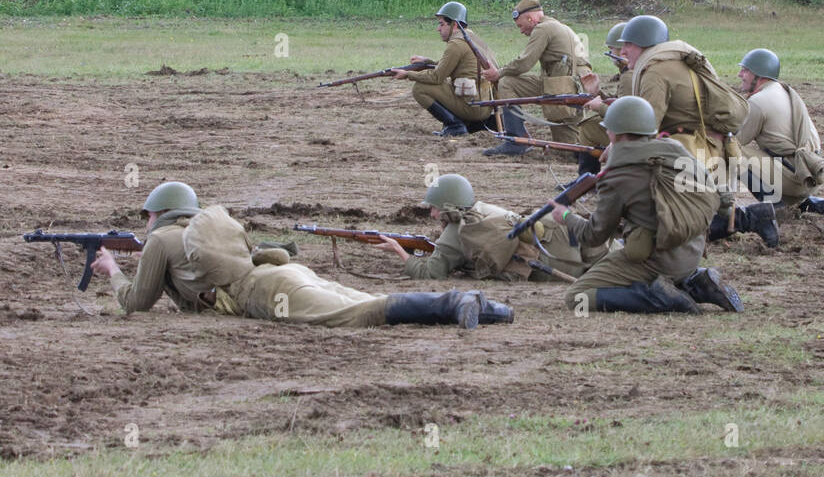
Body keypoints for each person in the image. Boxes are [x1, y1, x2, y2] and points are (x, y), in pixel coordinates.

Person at [92, 181, 514, 330]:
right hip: (288, 273)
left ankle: (455, 302)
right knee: (359, 302)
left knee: (360, 315)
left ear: (157, 214)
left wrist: (112, 271)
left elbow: (136, 303)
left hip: (266, 292)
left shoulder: (160, 240)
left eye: (146, 215)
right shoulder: (203, 232)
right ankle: (489, 310)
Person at [550, 97, 743, 314]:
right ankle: (695, 284)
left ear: (617, 134)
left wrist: (566, 216)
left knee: (577, 297)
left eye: (609, 130)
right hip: (692, 252)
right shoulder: (673, 149)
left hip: (660, 262)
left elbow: (595, 234)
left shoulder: (617, 176)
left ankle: (659, 297)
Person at [617, 14, 778, 249]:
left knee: (677, 224)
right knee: (699, 219)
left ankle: (645, 232)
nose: (623, 51)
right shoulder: (678, 60)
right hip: (712, 151)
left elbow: (646, 127)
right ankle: (751, 217)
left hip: (693, 153)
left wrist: (620, 149)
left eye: (628, 44)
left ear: (644, 44)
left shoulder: (655, 71)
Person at [708, 49, 824, 242]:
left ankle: (773, 208)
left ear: (759, 75)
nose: (740, 75)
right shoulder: (784, 91)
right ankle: (818, 205)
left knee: (733, 152)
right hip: (811, 174)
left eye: (745, 70)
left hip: (798, 176)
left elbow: (735, 139)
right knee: (760, 155)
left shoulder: (759, 102)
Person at [374, 173, 607, 282]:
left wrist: (399, 250)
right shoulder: (483, 209)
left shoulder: (456, 232)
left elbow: (430, 274)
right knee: (613, 253)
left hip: (554, 267)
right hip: (559, 232)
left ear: (449, 208)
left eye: (435, 208)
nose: (432, 214)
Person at [481, 0, 592, 157]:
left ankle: (516, 141)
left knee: (507, 83)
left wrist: (498, 73)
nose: (521, 31)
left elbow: (524, 63)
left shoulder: (543, 29)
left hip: (562, 87)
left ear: (530, 19)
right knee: (567, 149)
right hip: (572, 87)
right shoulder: (560, 26)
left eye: (520, 26)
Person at [391, 1, 497, 137]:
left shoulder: (456, 44)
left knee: (420, 88)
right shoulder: (472, 38)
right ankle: (470, 124)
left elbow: (437, 77)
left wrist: (407, 74)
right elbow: (451, 65)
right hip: (484, 107)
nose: (438, 29)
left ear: (454, 25)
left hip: (472, 107)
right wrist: (427, 62)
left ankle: (455, 126)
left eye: (442, 24)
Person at [574, 22, 634, 175]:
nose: (610, 53)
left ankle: (587, 178)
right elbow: (622, 103)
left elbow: (624, 117)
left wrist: (599, 107)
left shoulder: (629, 76)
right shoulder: (631, 72)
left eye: (611, 48)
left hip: (635, 135)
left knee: (588, 126)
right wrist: (597, 93)